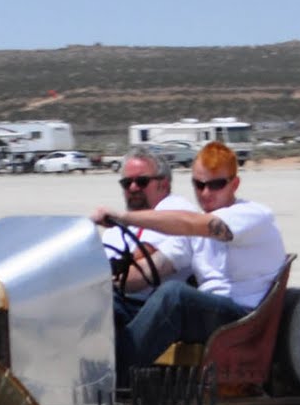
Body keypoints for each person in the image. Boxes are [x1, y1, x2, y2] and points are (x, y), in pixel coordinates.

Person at [92, 141, 286, 374]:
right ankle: (86, 363)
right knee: (113, 299)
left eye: (216, 185)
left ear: (234, 184)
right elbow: (159, 264)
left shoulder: (252, 215)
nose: (205, 193)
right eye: (199, 184)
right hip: (208, 313)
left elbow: (198, 225)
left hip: (244, 319)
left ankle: (116, 374)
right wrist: (104, 280)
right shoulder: (195, 226)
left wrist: (124, 217)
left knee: (174, 295)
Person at [100, 145, 197, 302]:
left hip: (150, 307)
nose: (133, 188)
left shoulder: (174, 210)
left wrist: (102, 280)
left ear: (164, 184)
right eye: (127, 183)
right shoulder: (114, 230)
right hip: (114, 302)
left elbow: (138, 266)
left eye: (141, 181)